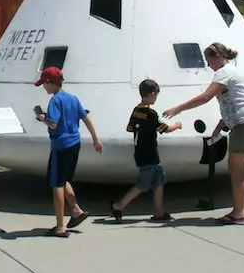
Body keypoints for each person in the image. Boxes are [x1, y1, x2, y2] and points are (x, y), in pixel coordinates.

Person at [162, 42, 244, 225]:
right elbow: (235, 103)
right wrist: (217, 130)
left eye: (209, 61)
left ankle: (238, 212)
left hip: (243, 126)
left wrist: (178, 108)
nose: (209, 65)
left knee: (236, 171)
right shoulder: (235, 71)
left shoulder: (222, 73)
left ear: (218, 57)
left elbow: (206, 97)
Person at [33, 66, 103, 237]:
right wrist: (95, 140)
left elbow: (53, 124)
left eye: (44, 83)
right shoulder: (72, 98)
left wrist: (41, 116)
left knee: (56, 184)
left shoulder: (55, 101)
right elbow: (86, 119)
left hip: (60, 146)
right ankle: (76, 210)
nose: (43, 87)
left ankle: (60, 227)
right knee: (64, 179)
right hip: (74, 144)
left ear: (50, 83)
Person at [110, 79, 181, 222]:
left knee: (159, 180)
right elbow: (164, 129)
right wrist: (177, 125)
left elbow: (129, 128)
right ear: (152, 94)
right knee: (143, 185)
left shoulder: (136, 111)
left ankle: (159, 212)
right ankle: (118, 205)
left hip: (142, 153)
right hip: (149, 154)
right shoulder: (151, 114)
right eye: (156, 96)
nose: (156, 98)